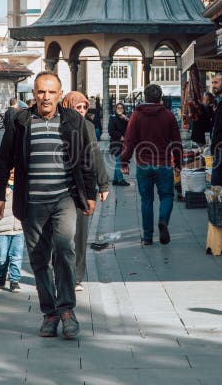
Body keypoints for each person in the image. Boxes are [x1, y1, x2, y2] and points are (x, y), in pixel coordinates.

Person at [0, 71, 97, 340]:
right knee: (39, 259)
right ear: (34, 94)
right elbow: (4, 160)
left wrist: (91, 193)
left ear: (60, 94)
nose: (46, 97)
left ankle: (67, 311)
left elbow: (87, 158)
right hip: (32, 201)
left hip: (65, 199)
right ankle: (49, 313)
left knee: (64, 250)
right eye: (41, 92)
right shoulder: (21, 121)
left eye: (51, 92)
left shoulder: (73, 120)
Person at [120, 84, 181, 246]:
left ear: (144, 97)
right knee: (167, 196)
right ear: (160, 97)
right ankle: (163, 220)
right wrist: (179, 162)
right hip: (164, 163)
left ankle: (147, 237)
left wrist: (124, 160)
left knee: (146, 200)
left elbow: (129, 139)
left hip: (143, 164)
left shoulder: (136, 115)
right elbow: (176, 141)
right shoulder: (168, 115)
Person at [62, 91, 110, 291]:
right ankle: (62, 273)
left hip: (82, 188)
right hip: (62, 187)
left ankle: (77, 276)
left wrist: (103, 184)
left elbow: (94, 155)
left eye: (84, 107)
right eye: (77, 107)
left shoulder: (88, 126)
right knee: (62, 235)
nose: (81, 111)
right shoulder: (59, 126)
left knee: (80, 234)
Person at [0, 171, 23, 293]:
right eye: (10, 171)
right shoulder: (0, 187)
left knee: (16, 256)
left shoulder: (22, 186)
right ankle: (1, 275)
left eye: (15, 171)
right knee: (1, 257)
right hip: (2, 228)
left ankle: (14, 280)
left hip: (18, 228)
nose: (12, 173)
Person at [108, 102, 130, 186]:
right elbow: (111, 130)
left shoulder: (125, 118)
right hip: (116, 142)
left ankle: (115, 180)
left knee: (118, 161)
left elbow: (131, 127)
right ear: (116, 109)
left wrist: (127, 119)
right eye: (118, 108)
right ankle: (120, 180)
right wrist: (120, 136)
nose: (120, 109)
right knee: (119, 161)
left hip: (124, 143)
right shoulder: (112, 118)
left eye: (121, 108)